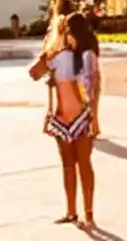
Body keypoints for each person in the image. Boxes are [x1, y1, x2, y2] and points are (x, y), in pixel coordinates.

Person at [44, 12, 101, 229]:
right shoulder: (82, 57)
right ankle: (82, 214)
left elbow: (35, 72)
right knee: (78, 165)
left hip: (70, 119)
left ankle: (78, 213)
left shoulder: (69, 57)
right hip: (76, 118)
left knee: (73, 165)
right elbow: (94, 91)